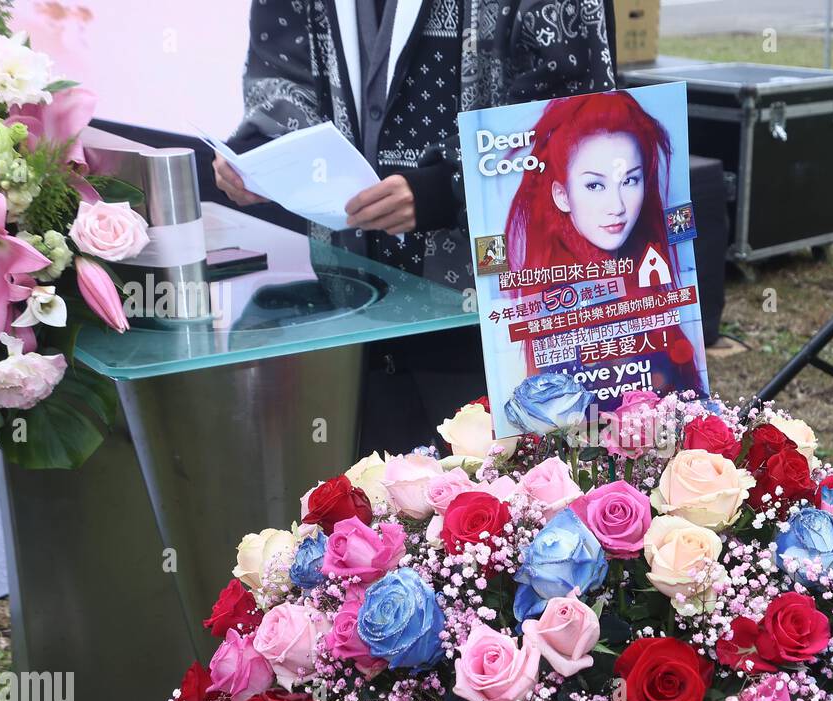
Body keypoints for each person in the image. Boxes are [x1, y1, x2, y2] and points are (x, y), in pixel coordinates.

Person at [213, 0, 615, 453]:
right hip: (351, 305)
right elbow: (279, 75)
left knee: (499, 495)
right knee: (373, 504)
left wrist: (447, 187)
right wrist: (264, 156)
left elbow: (576, 107)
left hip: (495, 309)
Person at [502, 91, 703, 396]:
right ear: (562, 195)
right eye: (595, 185)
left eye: (629, 180)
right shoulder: (562, 298)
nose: (617, 206)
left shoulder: (642, 270)